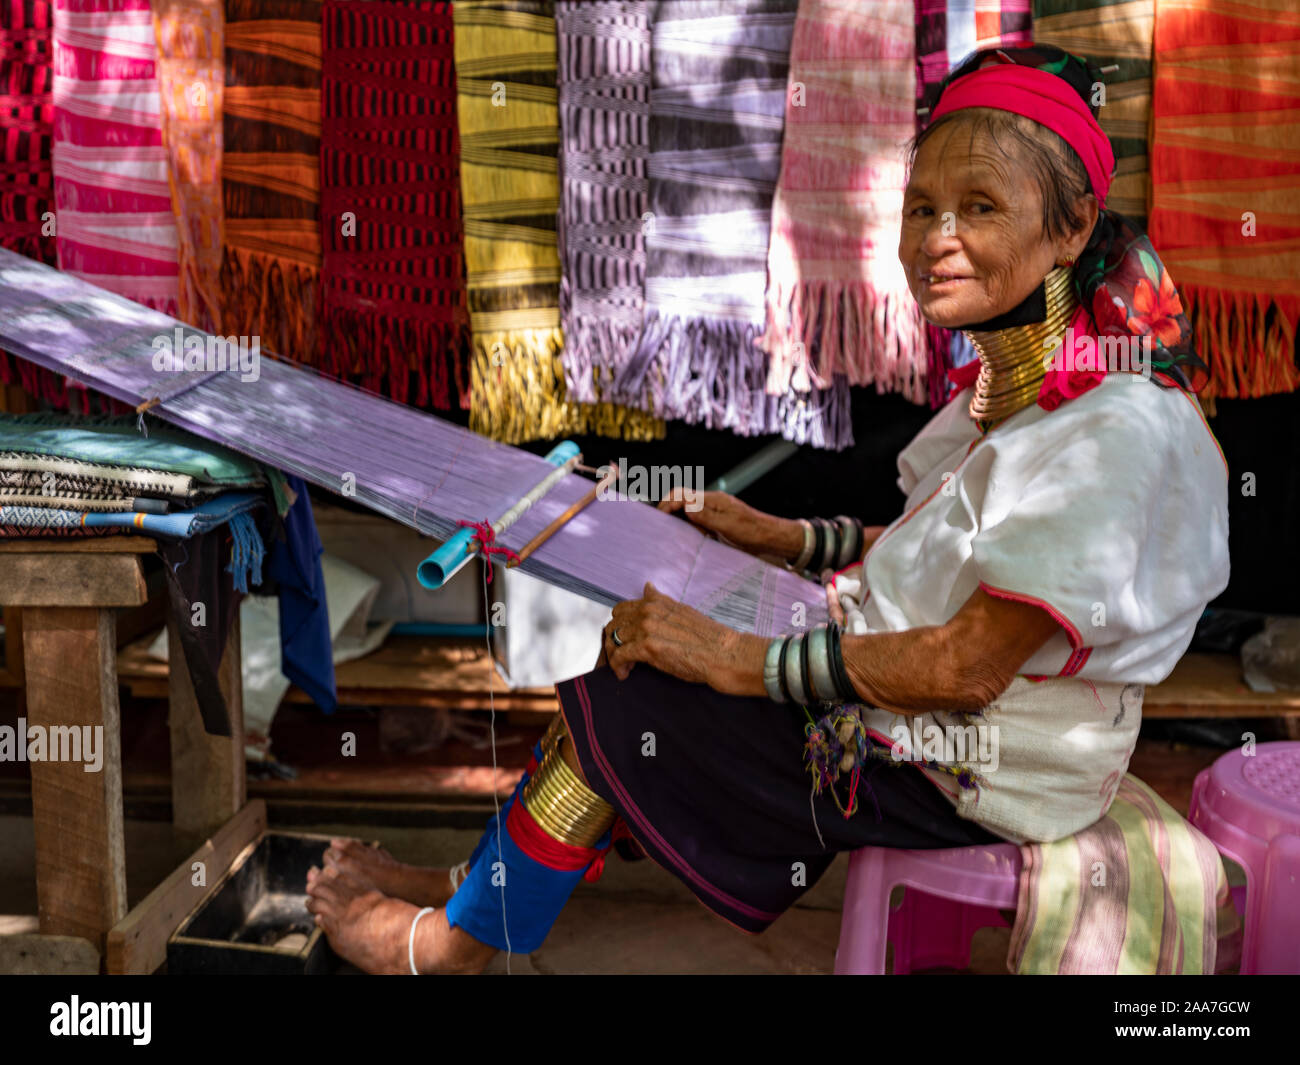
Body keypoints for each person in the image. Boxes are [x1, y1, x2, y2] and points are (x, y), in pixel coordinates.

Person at [305, 44, 1229, 974]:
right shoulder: (1029, 385)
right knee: (645, 645)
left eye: (980, 208)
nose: (935, 237)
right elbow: (955, 553)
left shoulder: (1108, 433)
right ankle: (482, 884)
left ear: (1070, 230)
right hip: (949, 721)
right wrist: (787, 538)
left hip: (972, 765)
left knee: (645, 688)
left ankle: (456, 944)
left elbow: (963, 665)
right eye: (920, 208)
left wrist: (736, 660)